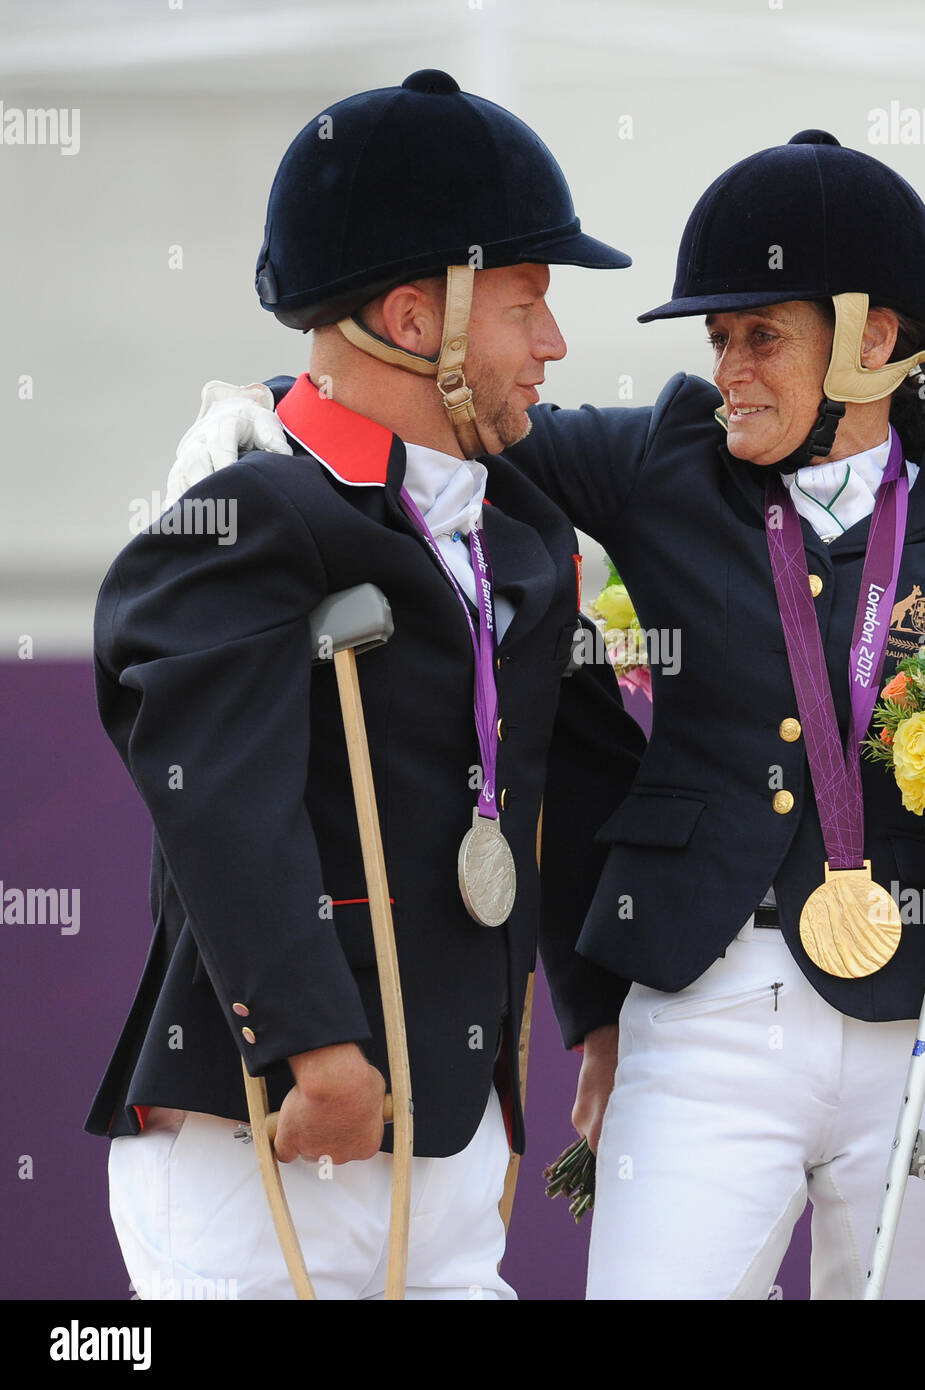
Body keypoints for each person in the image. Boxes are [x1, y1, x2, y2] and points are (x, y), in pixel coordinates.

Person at [170, 130, 925, 1298]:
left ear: (873, 342)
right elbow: (455, 411)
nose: (730, 373)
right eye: (720, 341)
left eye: (761, 337)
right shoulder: (666, 458)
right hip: (713, 1003)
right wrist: (279, 413)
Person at [86, 69, 642, 1301]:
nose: (554, 344)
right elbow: (218, 797)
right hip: (271, 1138)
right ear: (411, 319)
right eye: (528, 304)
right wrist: (316, 1046)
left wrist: (600, 1014)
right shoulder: (245, 511)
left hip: (452, 1149)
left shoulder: (523, 531)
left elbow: (571, 771)